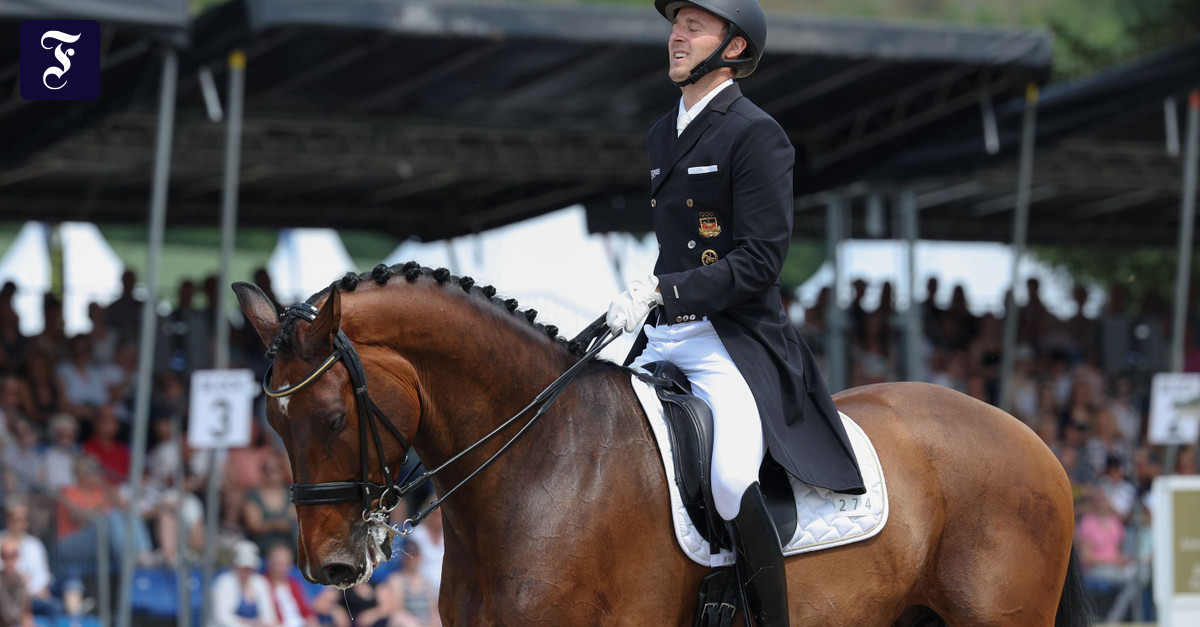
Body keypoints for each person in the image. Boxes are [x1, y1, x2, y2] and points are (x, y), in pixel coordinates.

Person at [605, 1, 864, 623]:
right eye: (677, 24)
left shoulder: (755, 133)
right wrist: (648, 298)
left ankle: (760, 614)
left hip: (733, 339)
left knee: (728, 478)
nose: (677, 36)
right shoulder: (662, 133)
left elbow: (759, 263)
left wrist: (670, 291)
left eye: (694, 27)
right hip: (665, 334)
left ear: (734, 47)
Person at [209, 540, 279, 627]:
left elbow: (269, 616)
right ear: (235, 565)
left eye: (249, 568)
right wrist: (250, 624)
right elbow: (222, 618)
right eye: (243, 567)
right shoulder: (224, 582)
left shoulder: (261, 582)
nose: (246, 571)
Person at [0, 538, 34, 627]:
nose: (9, 560)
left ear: (17, 557)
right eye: (5, 556)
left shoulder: (22, 581)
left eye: (12, 556)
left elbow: (26, 615)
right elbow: (6, 616)